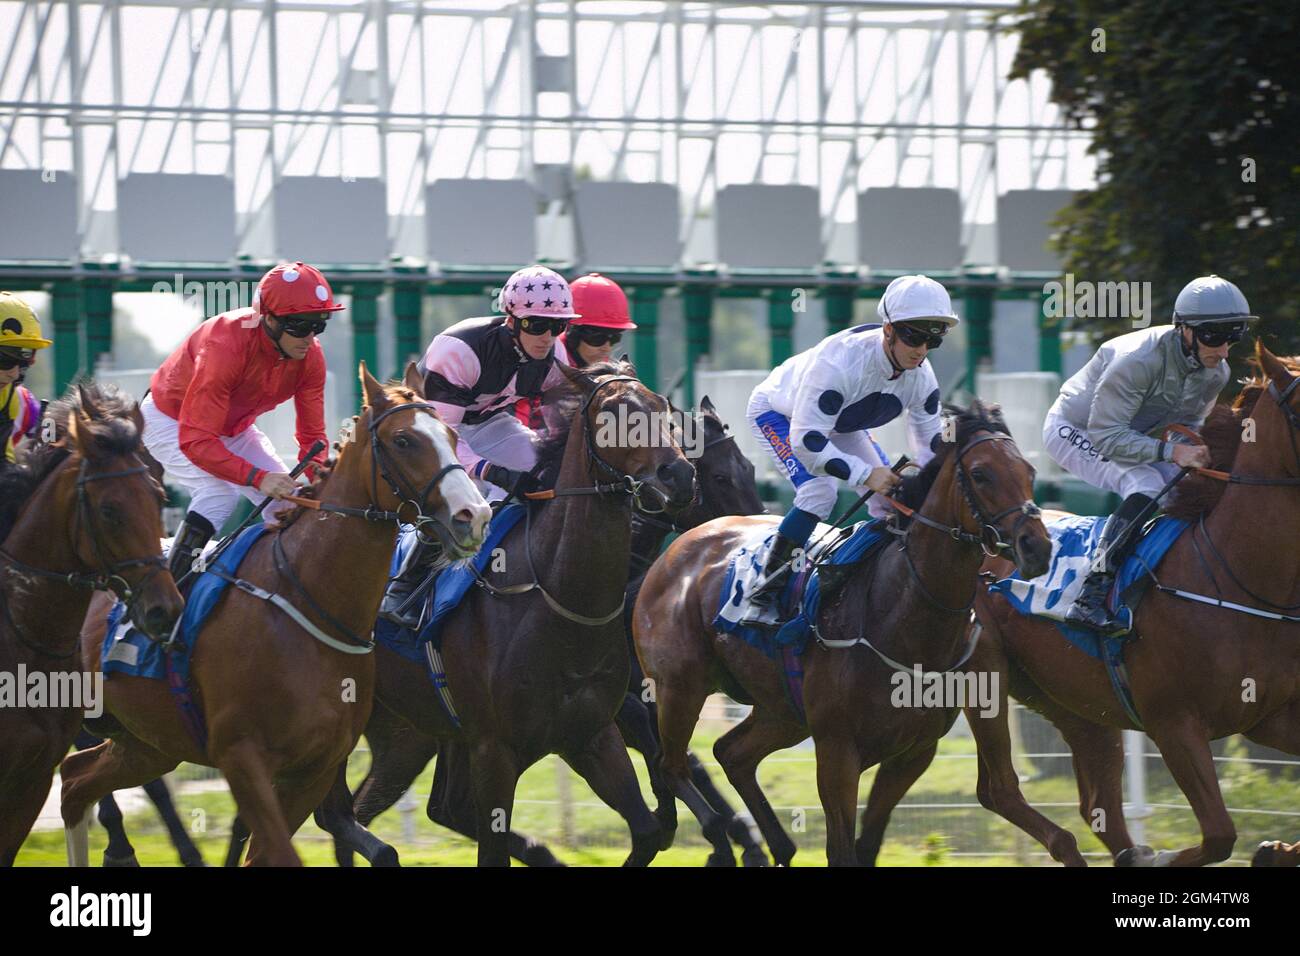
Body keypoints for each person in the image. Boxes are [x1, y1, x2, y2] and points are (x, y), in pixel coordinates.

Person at [1044, 274, 1257, 633]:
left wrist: (1193, 454)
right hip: (1077, 431)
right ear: (1184, 329)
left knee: (1182, 494)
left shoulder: (1215, 372)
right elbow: (1107, 437)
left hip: (1130, 435)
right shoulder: (1137, 360)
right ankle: (1089, 596)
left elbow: (1187, 426)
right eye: (1213, 336)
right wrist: (1171, 452)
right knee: (1143, 485)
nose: (1223, 351)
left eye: (1232, 337)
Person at [379, 264, 576, 628]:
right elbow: (445, 437)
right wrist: (488, 470)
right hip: (433, 432)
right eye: (536, 325)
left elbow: (559, 432)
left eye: (557, 326)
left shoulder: (555, 359)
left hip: (489, 423)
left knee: (547, 469)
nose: (547, 336)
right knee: (465, 493)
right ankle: (404, 585)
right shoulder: (460, 350)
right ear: (511, 320)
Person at [745, 274, 955, 608]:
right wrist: (866, 474)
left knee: (892, 501)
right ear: (888, 329)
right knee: (819, 493)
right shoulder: (839, 363)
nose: (921, 351)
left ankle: (873, 581)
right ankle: (766, 586)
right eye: (914, 337)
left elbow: (930, 445)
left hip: (842, 424)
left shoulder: (922, 377)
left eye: (933, 341)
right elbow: (807, 441)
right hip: (781, 415)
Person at [143, 261, 338, 581]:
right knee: (219, 494)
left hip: (232, 428)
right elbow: (196, 441)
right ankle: (166, 597)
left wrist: (317, 478)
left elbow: (313, 436)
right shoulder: (225, 344)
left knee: (290, 505)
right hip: (170, 420)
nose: (310, 338)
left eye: (319, 325)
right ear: (269, 320)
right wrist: (258, 477)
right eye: (300, 326)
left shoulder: (310, 357)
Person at [0, 292, 50, 464]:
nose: (13, 374)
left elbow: (50, 430)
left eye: (23, 364)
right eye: (5, 360)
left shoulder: (18, 398)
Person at [562, 273, 637, 369]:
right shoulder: (546, 366)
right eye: (597, 339)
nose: (606, 349)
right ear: (573, 336)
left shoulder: (603, 368)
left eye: (614, 338)